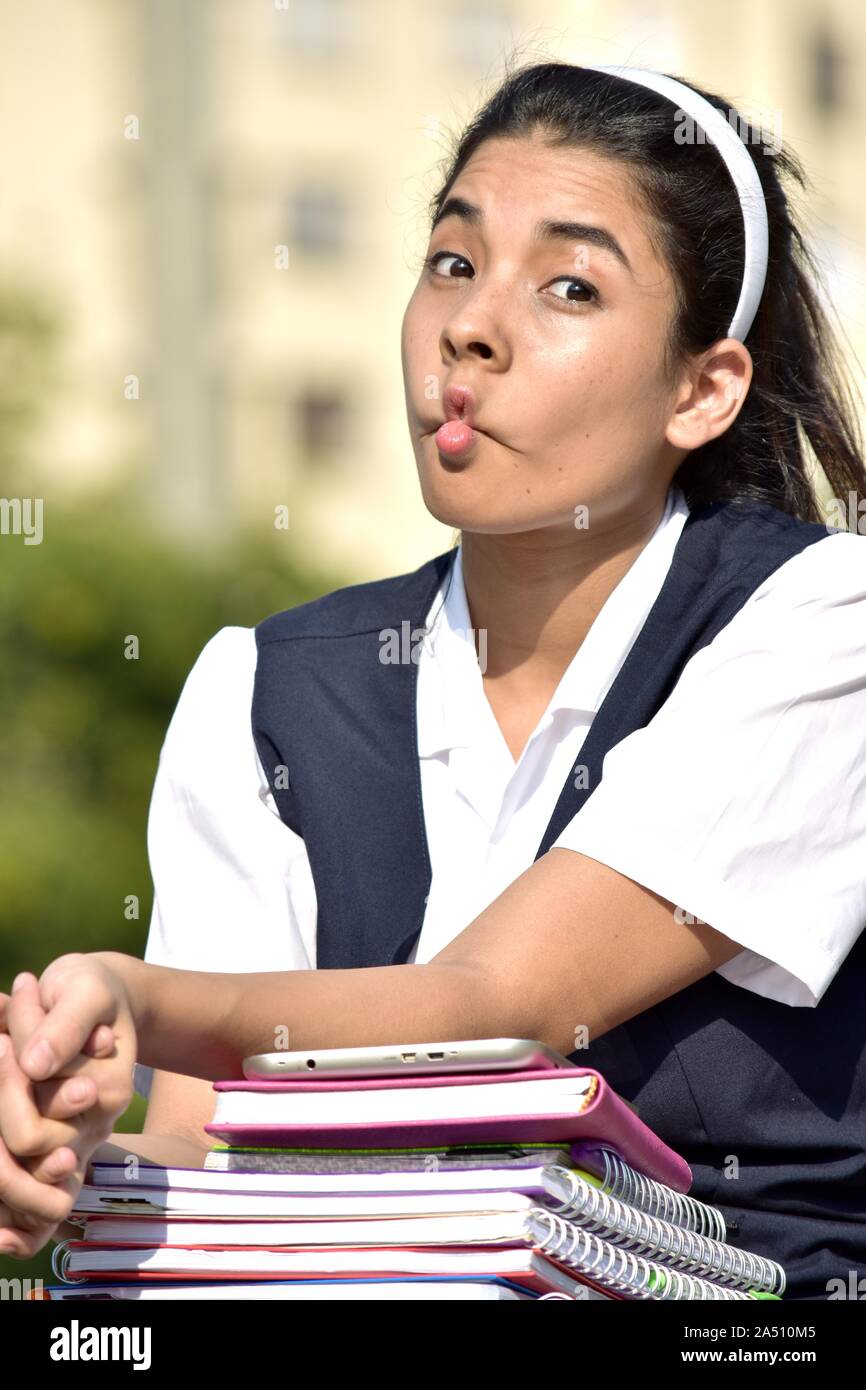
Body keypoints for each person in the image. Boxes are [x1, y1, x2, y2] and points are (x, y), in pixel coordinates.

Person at [2, 60, 866, 1300]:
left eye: (569, 284)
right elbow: (202, 1140)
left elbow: (499, 1002)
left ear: (701, 389)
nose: (470, 326)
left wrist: (132, 990)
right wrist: (67, 1141)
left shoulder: (812, 627)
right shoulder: (263, 690)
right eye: (452, 262)